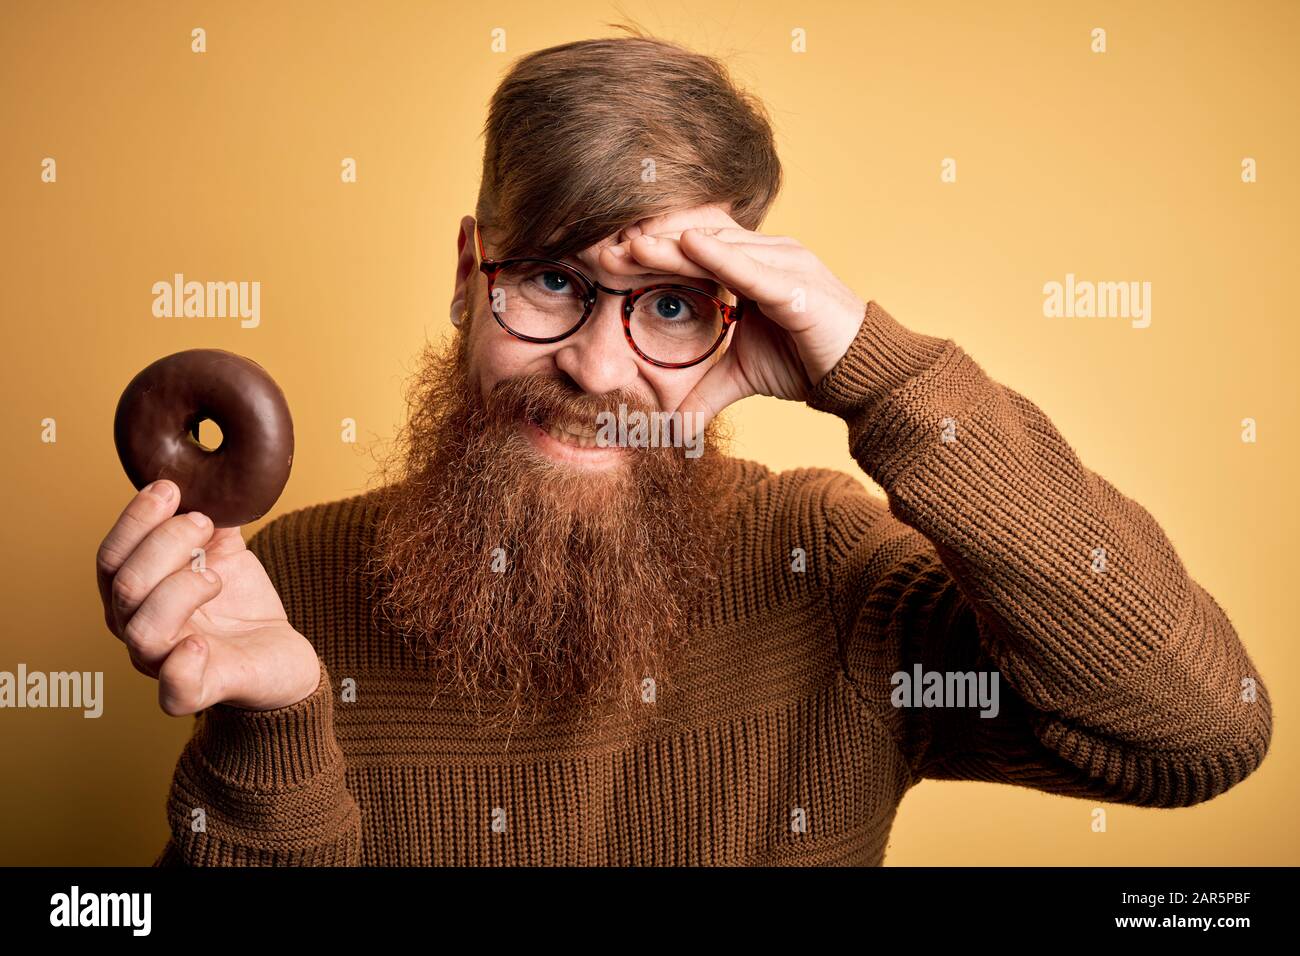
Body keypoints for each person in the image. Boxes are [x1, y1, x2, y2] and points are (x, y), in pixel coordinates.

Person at [95, 33, 1272, 866]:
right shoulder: (280, 594)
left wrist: (877, 366)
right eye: (553, 281)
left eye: (666, 305)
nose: (600, 369)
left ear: (743, 314)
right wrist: (271, 737)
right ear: (470, 274)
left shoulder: (829, 576)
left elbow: (1198, 728)